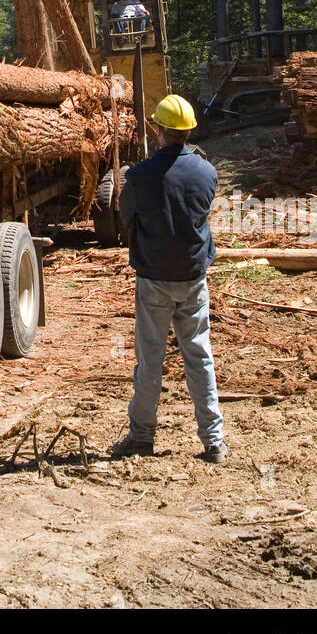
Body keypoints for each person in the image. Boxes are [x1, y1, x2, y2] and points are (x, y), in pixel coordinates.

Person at [111, 93, 226, 464]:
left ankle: (142, 436)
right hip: (193, 278)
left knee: (149, 360)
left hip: (153, 280)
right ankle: (214, 442)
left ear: (158, 131)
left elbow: (126, 216)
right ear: (189, 132)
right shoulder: (208, 173)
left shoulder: (140, 176)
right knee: (200, 357)